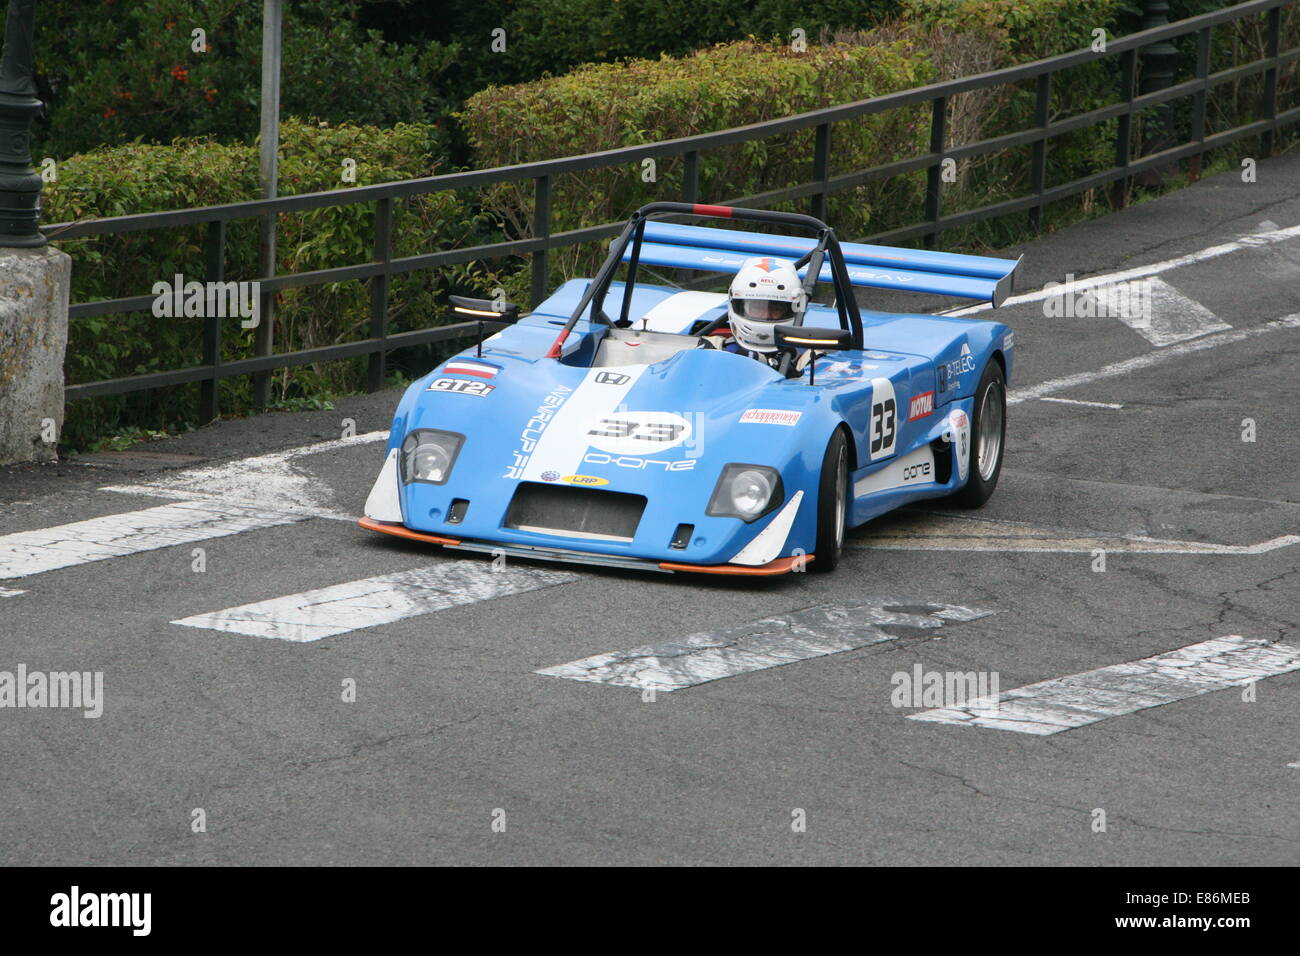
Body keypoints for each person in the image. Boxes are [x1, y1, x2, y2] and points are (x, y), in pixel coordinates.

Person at [703, 256, 811, 372]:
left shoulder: (808, 359)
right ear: (736, 305)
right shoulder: (713, 348)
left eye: (776, 309)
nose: (765, 314)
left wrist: (793, 378)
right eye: (757, 308)